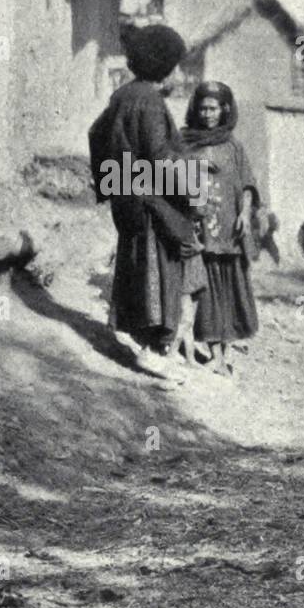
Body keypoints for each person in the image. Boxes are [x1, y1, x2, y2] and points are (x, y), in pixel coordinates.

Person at [88, 24, 199, 379]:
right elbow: (159, 156)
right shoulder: (150, 101)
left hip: (131, 197)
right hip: (152, 201)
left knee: (138, 270)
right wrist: (191, 188)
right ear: (163, 64)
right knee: (159, 273)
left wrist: (114, 186)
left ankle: (147, 345)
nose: (179, 72)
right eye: (176, 64)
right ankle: (152, 350)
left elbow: (96, 135)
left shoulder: (123, 95)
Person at [182, 81, 259, 376]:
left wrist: (244, 211)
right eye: (202, 108)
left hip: (230, 232)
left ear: (224, 109)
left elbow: (248, 184)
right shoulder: (186, 142)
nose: (207, 114)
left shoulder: (233, 145)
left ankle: (224, 354)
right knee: (207, 290)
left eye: (213, 108)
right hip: (201, 229)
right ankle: (215, 354)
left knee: (230, 290)